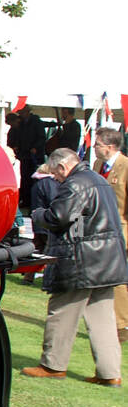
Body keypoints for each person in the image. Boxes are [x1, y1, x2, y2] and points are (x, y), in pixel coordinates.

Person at [22, 147, 128, 386]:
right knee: (103, 318)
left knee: (62, 312)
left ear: (62, 167)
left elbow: (59, 217)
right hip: (107, 259)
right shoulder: (98, 180)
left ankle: (52, 365)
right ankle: (110, 372)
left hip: (83, 259)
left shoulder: (76, 184)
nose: (56, 179)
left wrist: (38, 214)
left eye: (56, 174)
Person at [91, 127, 128, 342]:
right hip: (99, 231)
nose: (94, 148)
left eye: (97, 145)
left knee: (119, 279)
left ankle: (121, 326)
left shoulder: (125, 167)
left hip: (120, 231)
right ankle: (106, 321)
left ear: (110, 147)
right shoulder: (97, 165)